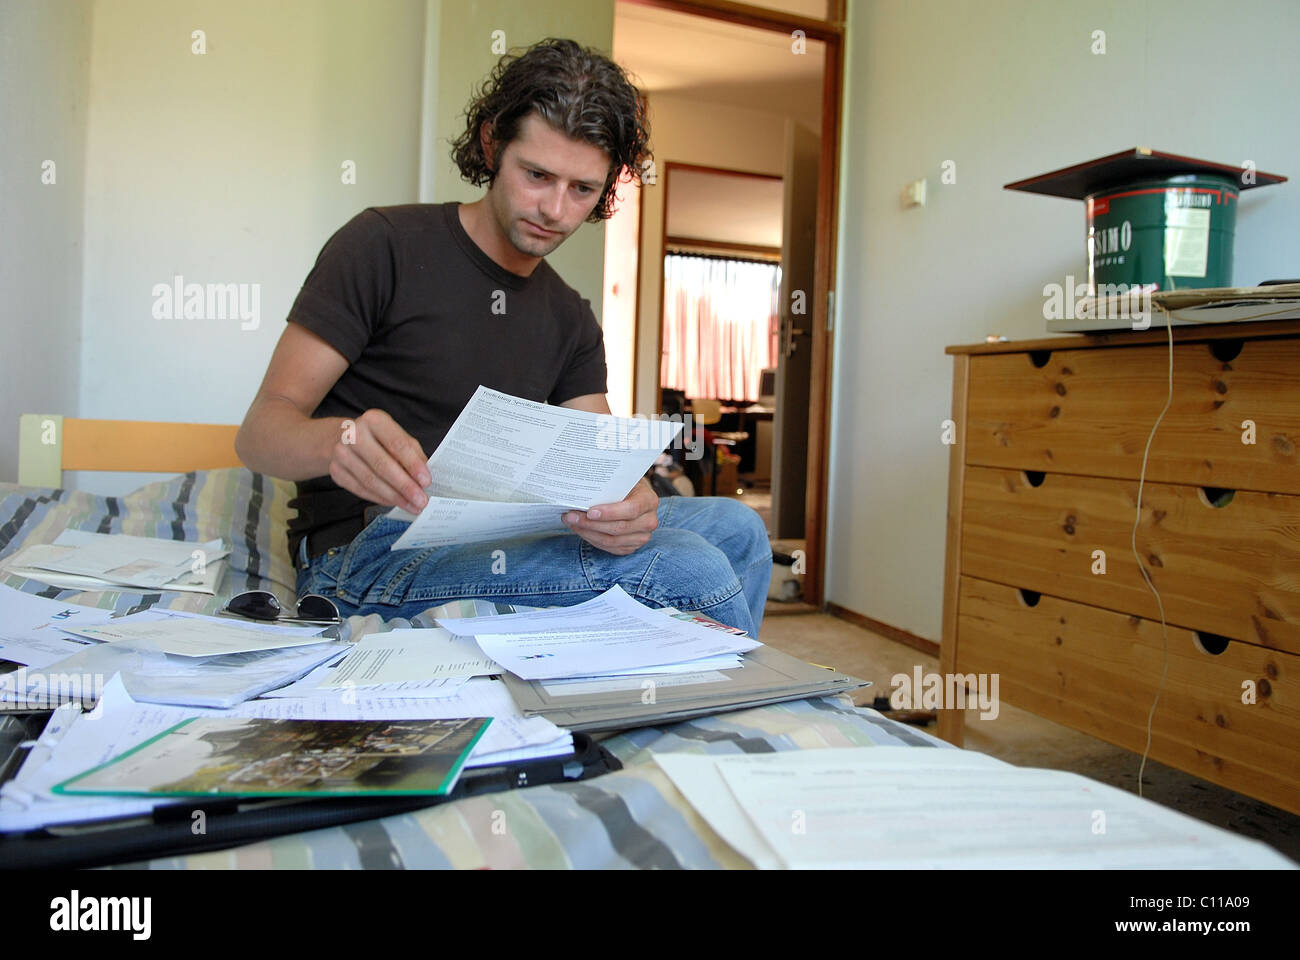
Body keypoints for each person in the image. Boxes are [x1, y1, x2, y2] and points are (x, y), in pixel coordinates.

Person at [235, 38, 772, 635]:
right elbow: (259, 433)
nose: (556, 211)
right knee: (689, 569)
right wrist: (337, 442)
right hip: (367, 551)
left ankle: (655, 690)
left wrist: (631, 502)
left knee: (739, 529)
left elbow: (605, 465)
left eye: (582, 189)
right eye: (537, 175)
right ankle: (710, 700)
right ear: (492, 144)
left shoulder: (570, 317)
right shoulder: (382, 245)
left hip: (505, 534)